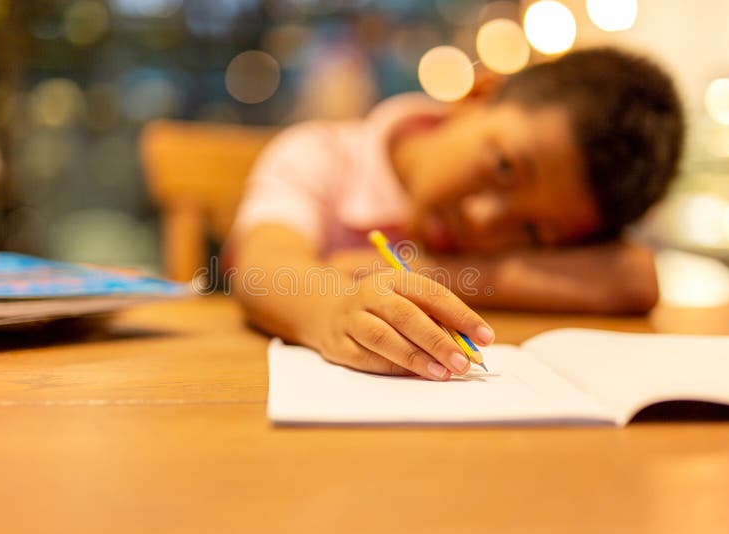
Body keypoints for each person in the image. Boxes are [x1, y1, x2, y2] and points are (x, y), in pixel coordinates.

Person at [226, 47, 684, 381]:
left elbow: (634, 277)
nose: (484, 220)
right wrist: (334, 311)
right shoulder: (321, 156)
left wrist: (428, 272)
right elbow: (262, 267)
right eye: (504, 167)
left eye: (531, 230)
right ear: (478, 95)